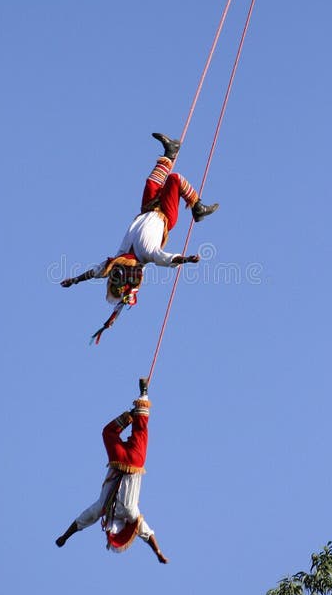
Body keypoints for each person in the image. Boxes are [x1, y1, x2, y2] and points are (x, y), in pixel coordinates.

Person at [61, 132, 219, 342]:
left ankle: (170, 153)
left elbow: (95, 272)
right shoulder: (147, 255)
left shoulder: (119, 255)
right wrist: (187, 259)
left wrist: (74, 280)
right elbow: (167, 258)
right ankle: (198, 208)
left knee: (151, 182)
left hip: (146, 209)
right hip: (164, 215)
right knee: (174, 179)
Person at [55, 380, 168, 563]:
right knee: (109, 433)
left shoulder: (130, 515)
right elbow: (80, 522)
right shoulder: (104, 509)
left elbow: (148, 535)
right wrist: (64, 537)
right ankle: (132, 412)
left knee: (141, 431)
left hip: (133, 462)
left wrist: (158, 553)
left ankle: (143, 395)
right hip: (118, 460)